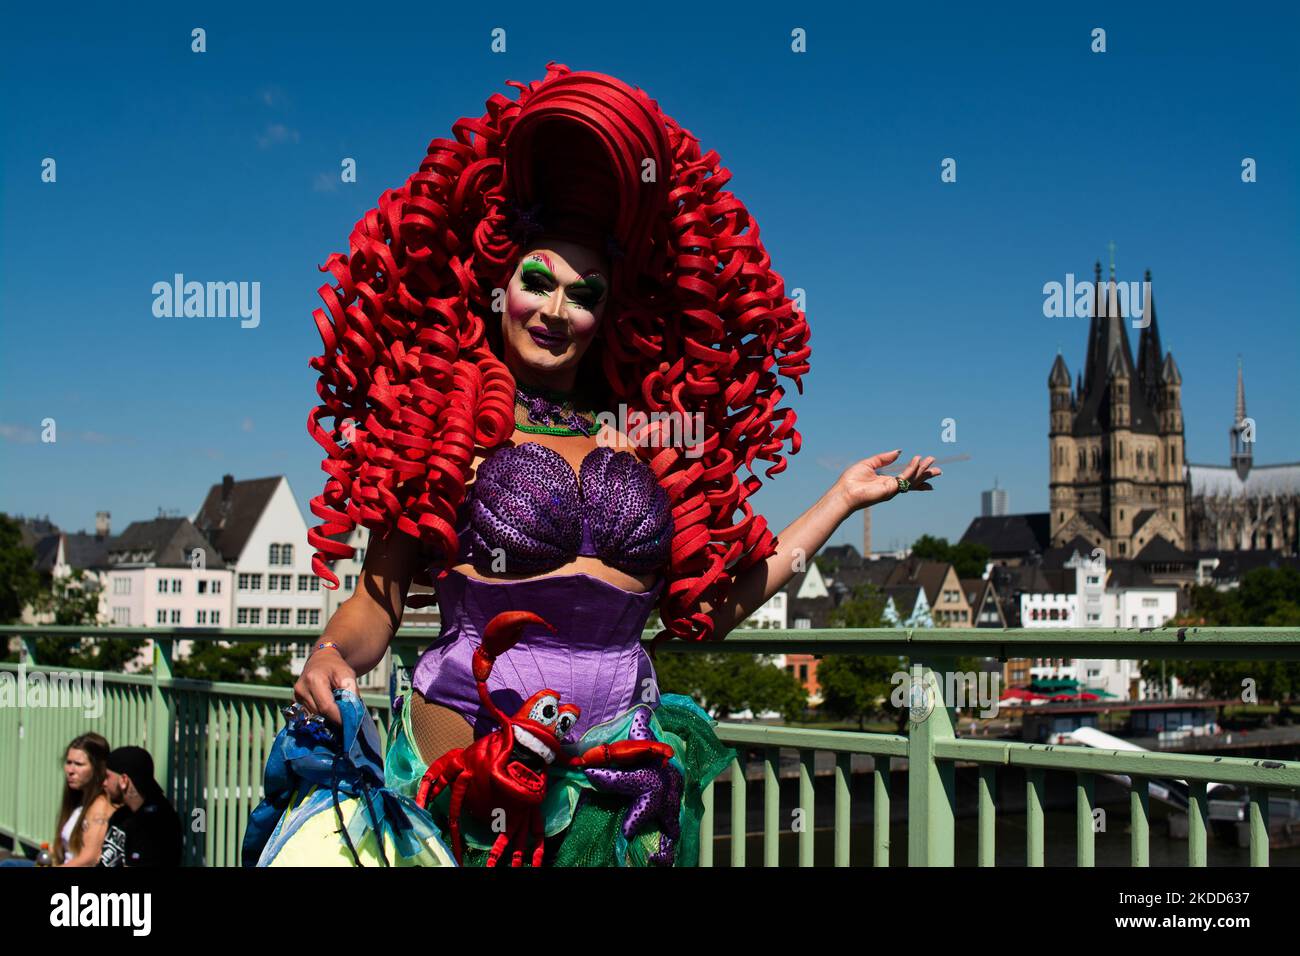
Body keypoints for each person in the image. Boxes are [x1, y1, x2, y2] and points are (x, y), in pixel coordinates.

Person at [289, 63, 941, 867]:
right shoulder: (447, 428)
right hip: (474, 774)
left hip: (624, 784)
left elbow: (714, 609)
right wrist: (329, 654)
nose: (557, 311)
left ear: (609, 313)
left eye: (584, 293)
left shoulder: (645, 437)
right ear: (498, 288)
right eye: (538, 282)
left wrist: (840, 499)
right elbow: (375, 606)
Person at [0, 732, 115, 868]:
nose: (70, 770)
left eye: (78, 764)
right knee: (8, 864)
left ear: (97, 769)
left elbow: (89, 859)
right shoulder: (80, 800)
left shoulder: (99, 807)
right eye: (68, 762)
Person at [96, 746, 183, 868]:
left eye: (107, 777)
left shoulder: (159, 823)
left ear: (124, 780)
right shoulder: (121, 816)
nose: (104, 783)